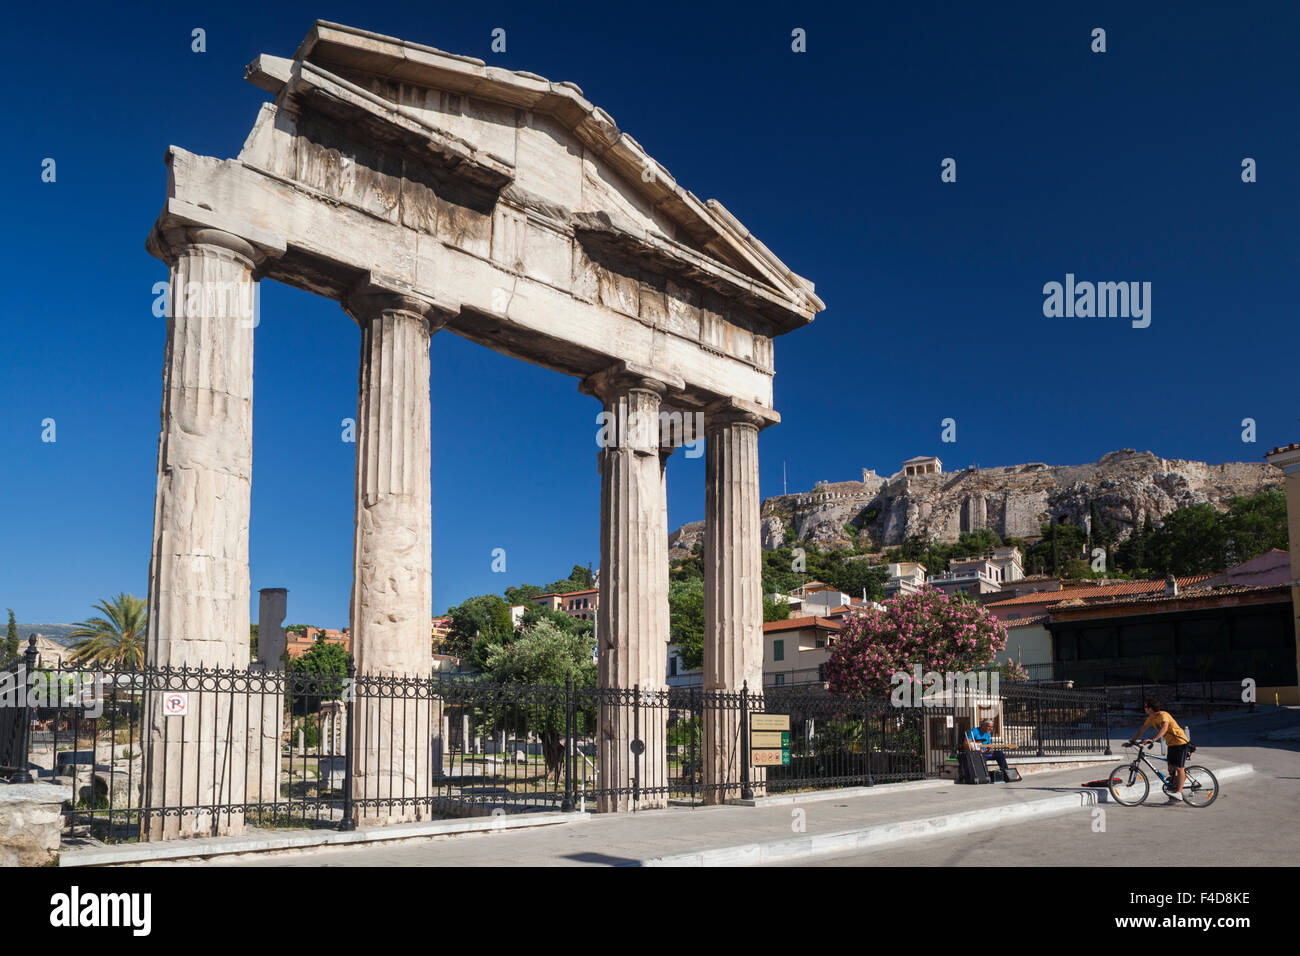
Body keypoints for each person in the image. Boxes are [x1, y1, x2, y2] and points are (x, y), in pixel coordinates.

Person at [1131, 699, 1191, 804]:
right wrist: (1132, 741)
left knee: (1179, 768)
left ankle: (1179, 793)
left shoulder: (1163, 715)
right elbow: (1141, 730)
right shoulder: (1151, 718)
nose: (1144, 709)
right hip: (1171, 745)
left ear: (1150, 708)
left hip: (1180, 742)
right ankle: (1174, 795)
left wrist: (1153, 740)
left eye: (1145, 707)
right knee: (1171, 770)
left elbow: (1164, 729)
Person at [965, 718, 1013, 783]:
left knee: (999, 753)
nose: (990, 728)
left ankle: (1005, 773)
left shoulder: (987, 733)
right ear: (983, 726)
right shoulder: (974, 731)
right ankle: (985, 776)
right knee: (981, 757)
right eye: (988, 726)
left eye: (991, 727)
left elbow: (989, 744)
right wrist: (976, 750)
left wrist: (991, 749)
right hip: (978, 754)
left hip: (986, 753)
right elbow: (966, 743)